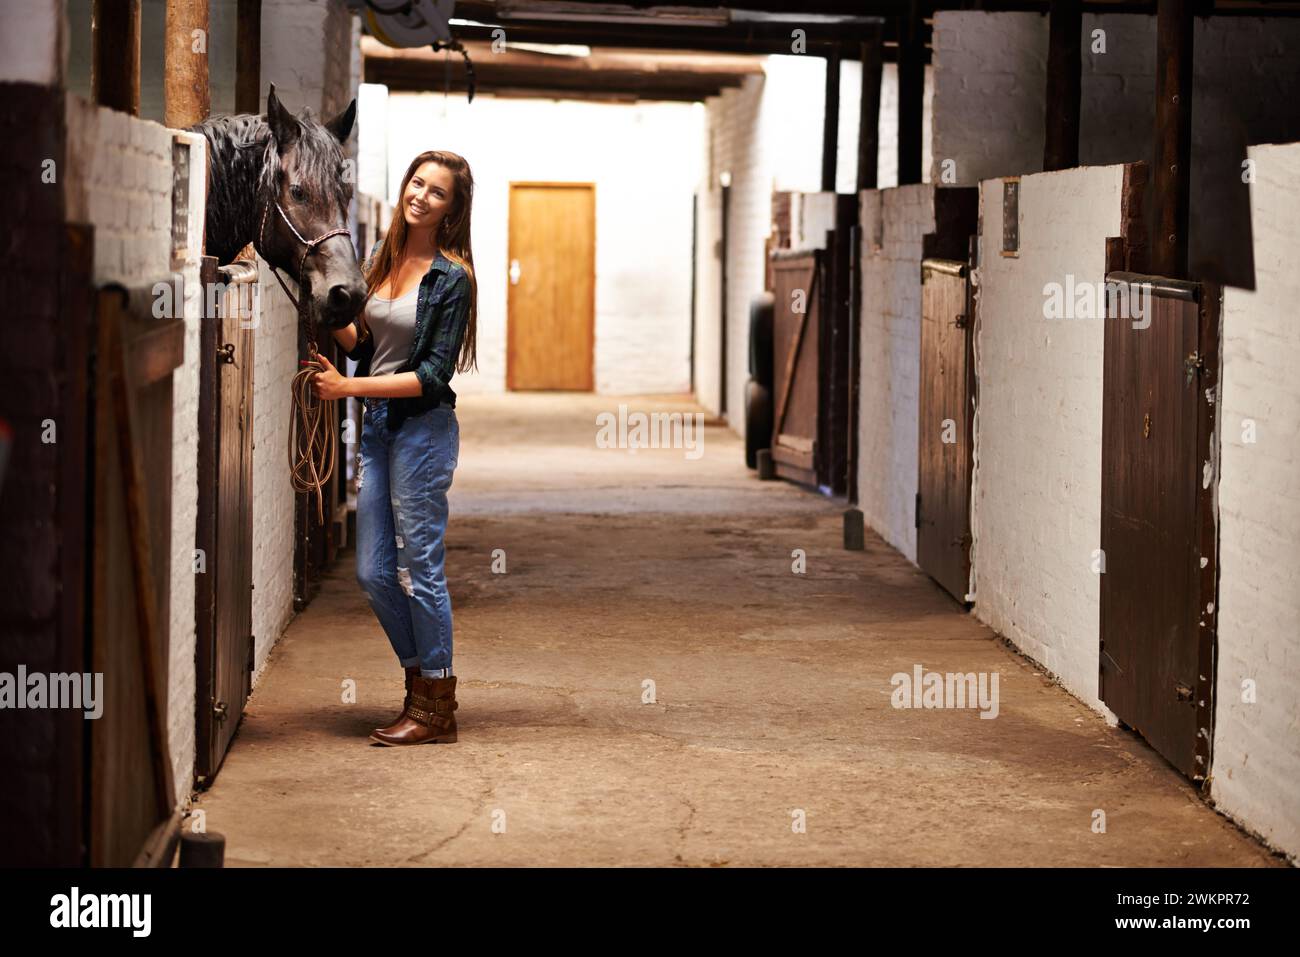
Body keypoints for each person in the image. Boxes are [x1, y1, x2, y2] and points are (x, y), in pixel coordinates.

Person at [313, 150, 478, 746]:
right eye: (417, 183)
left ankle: (436, 706)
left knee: (421, 571)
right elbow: (362, 346)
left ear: (452, 208)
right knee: (372, 571)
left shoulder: (451, 277)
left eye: (437, 192)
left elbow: (433, 374)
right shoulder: (379, 263)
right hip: (380, 430)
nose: (421, 196)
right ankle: (423, 686)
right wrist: (327, 303)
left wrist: (347, 389)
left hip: (423, 430)